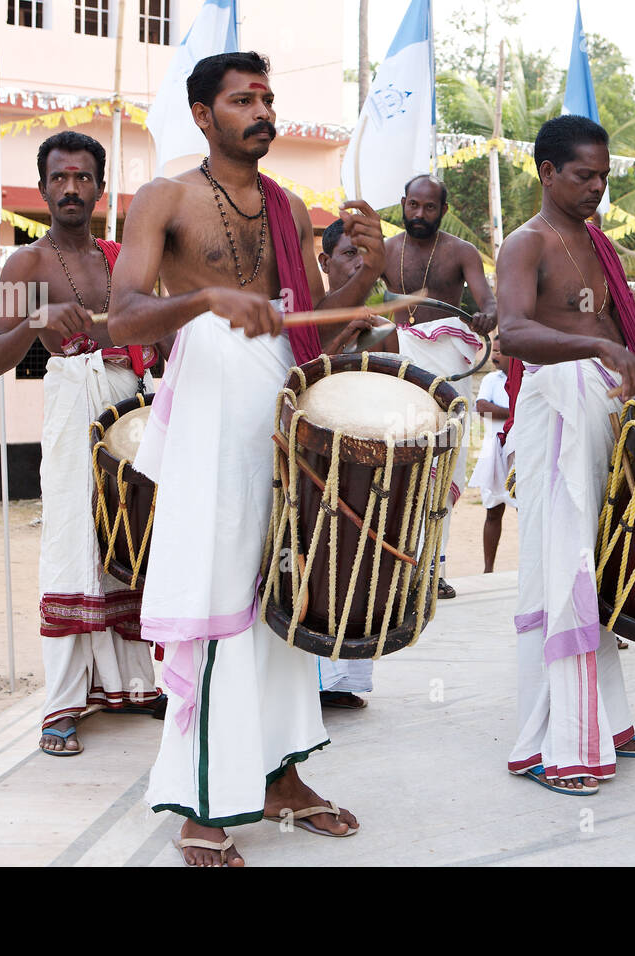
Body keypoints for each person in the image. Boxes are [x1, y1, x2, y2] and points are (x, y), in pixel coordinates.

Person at [106, 52, 384, 866]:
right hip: (206, 416)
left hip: (276, 406)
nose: (260, 110)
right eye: (242, 99)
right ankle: (201, 804)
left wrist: (363, 273)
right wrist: (204, 299)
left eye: (267, 97)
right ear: (202, 115)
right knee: (220, 595)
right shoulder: (165, 198)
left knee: (284, 586)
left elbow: (314, 333)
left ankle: (280, 778)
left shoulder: (290, 208)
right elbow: (122, 316)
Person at [496, 115, 635, 795]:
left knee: (599, 563)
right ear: (547, 172)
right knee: (564, 566)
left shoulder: (601, 248)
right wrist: (598, 349)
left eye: (605, 175)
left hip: (603, 406)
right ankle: (554, 746)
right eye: (585, 174)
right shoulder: (525, 244)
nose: (598, 187)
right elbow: (514, 331)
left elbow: (623, 335)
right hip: (559, 406)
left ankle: (607, 721)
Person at [0, 131, 168, 757]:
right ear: (42, 190)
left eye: (82, 178)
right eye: (58, 178)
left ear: (97, 188)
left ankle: (136, 685)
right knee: (71, 540)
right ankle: (62, 704)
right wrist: (35, 321)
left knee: (131, 536)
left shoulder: (123, 259)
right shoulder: (25, 266)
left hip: (131, 410)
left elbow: (160, 331)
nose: (70, 188)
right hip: (70, 410)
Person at [383, 174, 498, 599]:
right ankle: (394, 567)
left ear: (443, 211)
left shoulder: (461, 252)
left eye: (429, 208)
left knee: (442, 466)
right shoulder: (386, 250)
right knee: (399, 465)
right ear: (403, 203)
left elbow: (487, 301)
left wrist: (487, 315)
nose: (419, 214)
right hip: (397, 367)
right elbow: (355, 296)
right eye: (413, 205)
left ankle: (434, 568)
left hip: (447, 367)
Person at [311, 217, 394, 710]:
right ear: (324, 261)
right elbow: (301, 372)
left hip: (362, 457)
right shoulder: (312, 312)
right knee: (308, 557)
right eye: (347, 254)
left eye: (365, 256)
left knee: (356, 557)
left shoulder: (379, 322)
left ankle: (342, 680)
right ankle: (306, 678)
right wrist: (342, 337)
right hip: (310, 456)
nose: (359, 264)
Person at [469, 333, 515, 573]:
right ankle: (488, 569)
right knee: (493, 511)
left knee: (525, 511)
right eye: (494, 351)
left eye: (499, 352)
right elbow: (481, 407)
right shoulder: (490, 379)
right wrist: (513, 413)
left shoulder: (524, 379)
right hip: (493, 453)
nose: (494, 356)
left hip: (517, 453)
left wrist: (502, 412)